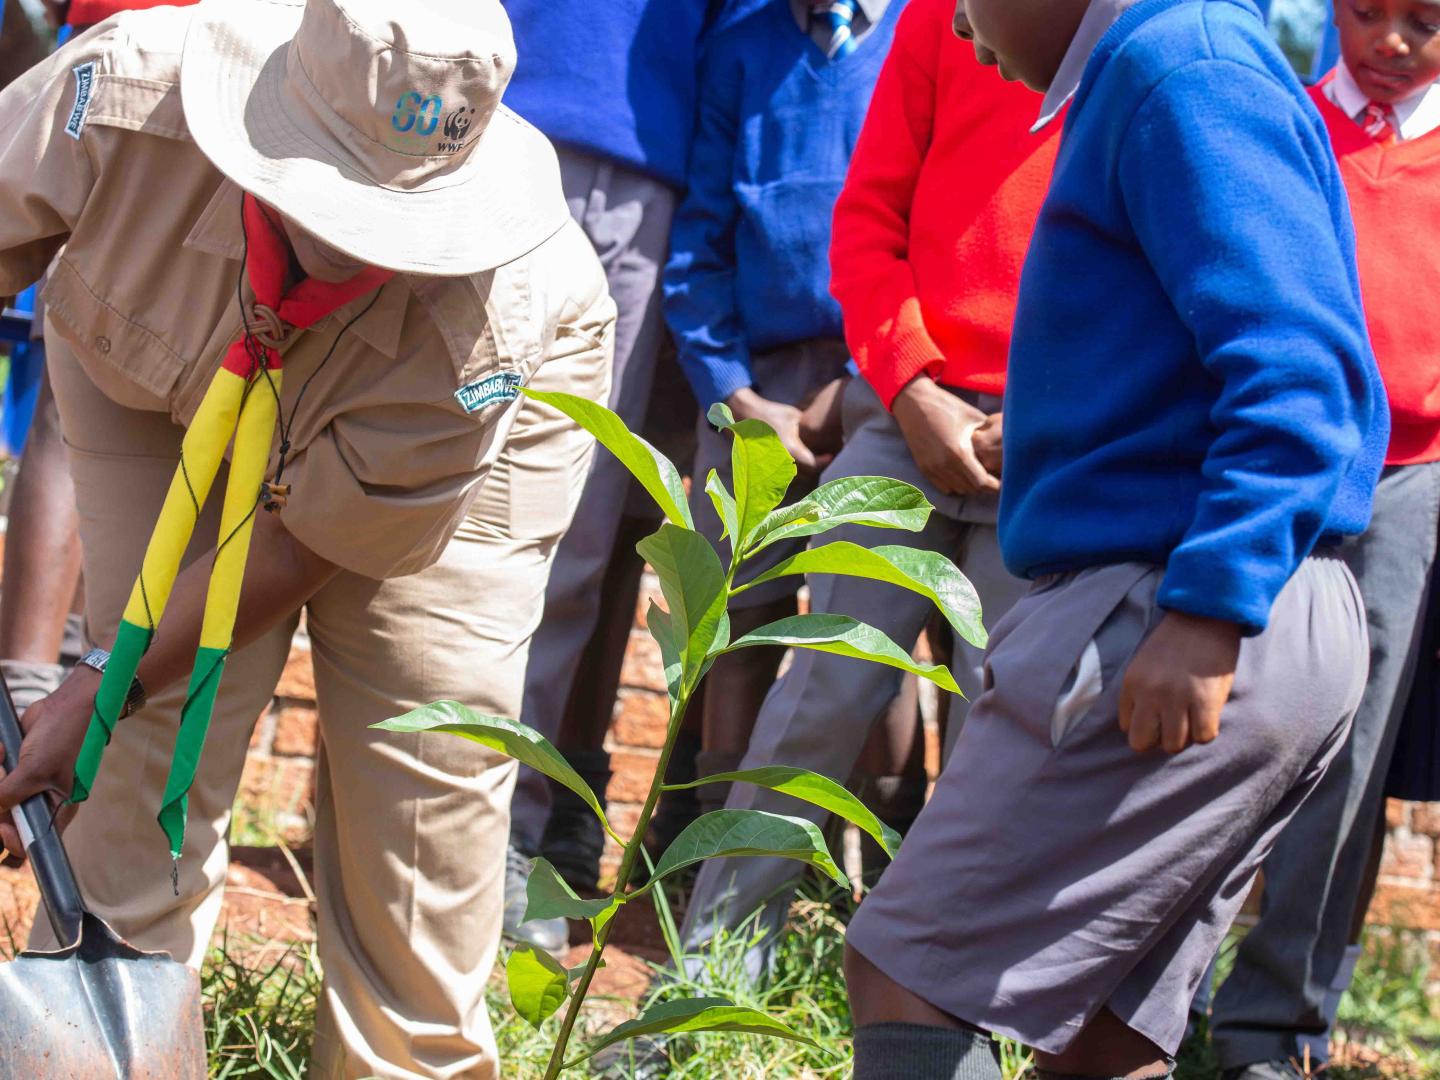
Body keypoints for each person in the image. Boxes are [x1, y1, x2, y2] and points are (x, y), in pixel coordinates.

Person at [0, 0, 614, 1075]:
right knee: (135, 757)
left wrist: (103, 676)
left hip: (441, 437)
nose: (344, 242)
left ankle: (403, 1052)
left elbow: (300, 541)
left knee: (420, 765)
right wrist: (111, 691)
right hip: (152, 375)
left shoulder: (495, 310)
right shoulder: (126, 96)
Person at [843, 1, 1388, 1078]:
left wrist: (1207, 607)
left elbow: (1294, 367)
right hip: (1243, 597)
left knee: (910, 967)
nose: (953, 23)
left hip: (1176, 600)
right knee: (1105, 1030)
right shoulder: (1183, 63)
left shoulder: (1180, 62)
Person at [678, 0, 1055, 973]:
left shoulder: (1152, 39)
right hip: (908, 409)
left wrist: (1061, 399)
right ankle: (716, 966)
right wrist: (911, 385)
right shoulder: (941, 18)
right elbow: (868, 221)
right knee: (823, 685)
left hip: (1051, 433)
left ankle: (951, 992)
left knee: (1000, 719)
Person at [1206, 3, 1440, 1075]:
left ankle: (1268, 1029)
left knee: (1349, 759)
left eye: (1425, 22)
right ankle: (1140, 999)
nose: (1390, 41)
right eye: (1365, 11)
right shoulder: (1287, 125)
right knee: (1218, 721)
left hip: (1414, 480)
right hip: (1275, 460)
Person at [496, 0, 716, 956]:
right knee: (434, 493)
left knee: (574, 535)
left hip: (648, 173)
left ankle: (505, 838)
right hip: (489, 129)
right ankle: (406, 816)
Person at [663, 0, 906, 821]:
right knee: (737, 619)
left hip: (881, 384)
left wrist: (863, 383)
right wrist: (733, 393)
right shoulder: (741, 49)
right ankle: (717, 861)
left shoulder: (930, 35)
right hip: (750, 391)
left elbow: (930, 229)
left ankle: (863, 877)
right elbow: (699, 248)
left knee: (872, 630)